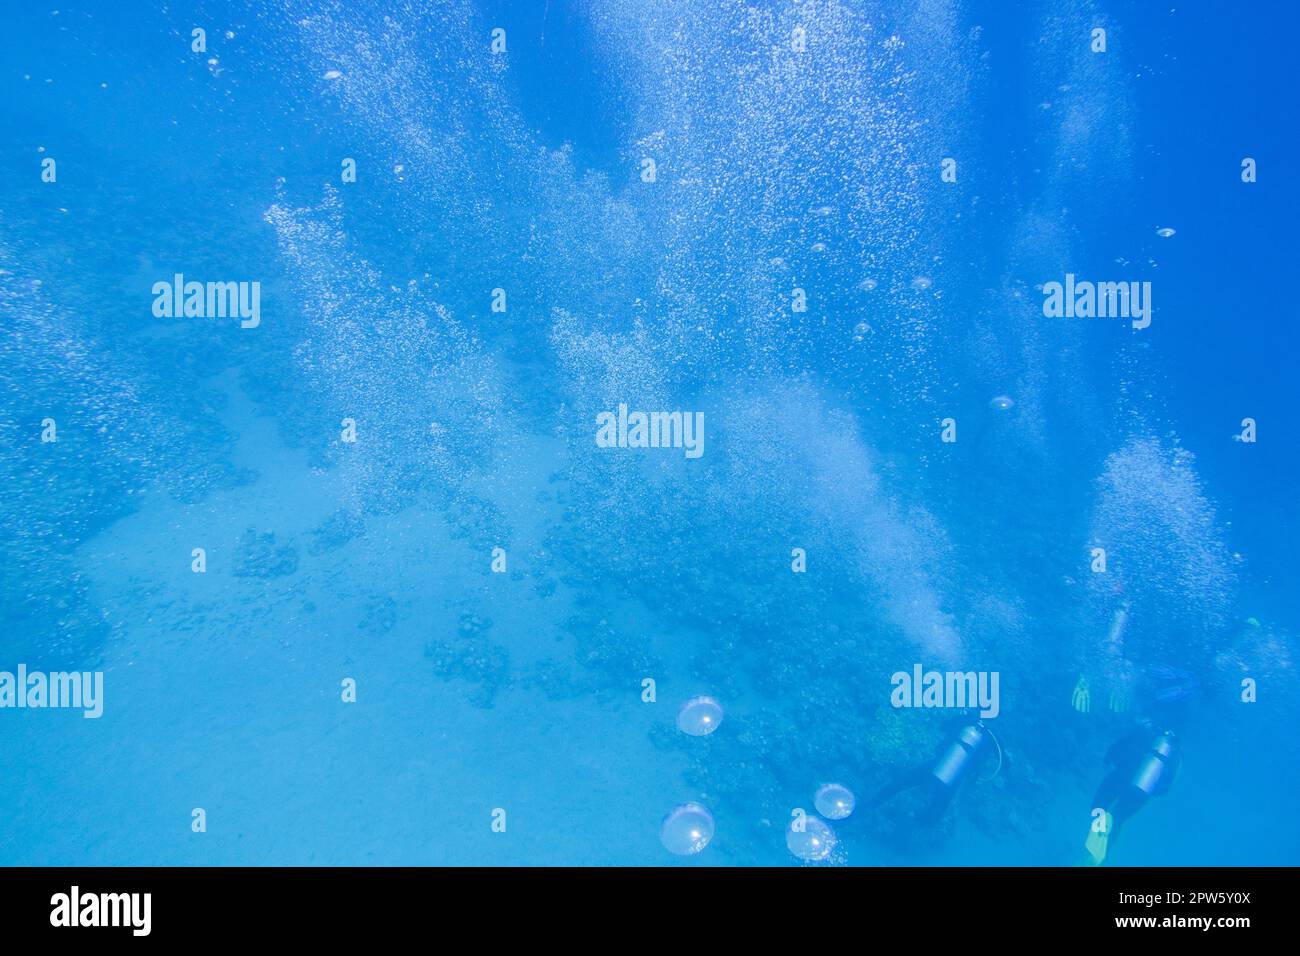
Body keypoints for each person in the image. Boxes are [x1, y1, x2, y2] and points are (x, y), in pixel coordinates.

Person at [869, 716, 999, 826]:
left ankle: (873, 802)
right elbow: (1004, 764)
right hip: (953, 779)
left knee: (900, 784)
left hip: (936, 765)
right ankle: (913, 825)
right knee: (937, 811)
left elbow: (943, 726)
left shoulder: (966, 720)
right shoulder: (993, 739)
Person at [1081, 721, 1180, 866]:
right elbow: (1165, 788)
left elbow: (1120, 746)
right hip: (1141, 791)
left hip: (1120, 776)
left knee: (1099, 806)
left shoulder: (1146, 729)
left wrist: (1108, 759)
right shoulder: (1175, 752)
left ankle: (1092, 844)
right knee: (1118, 818)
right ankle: (1099, 855)